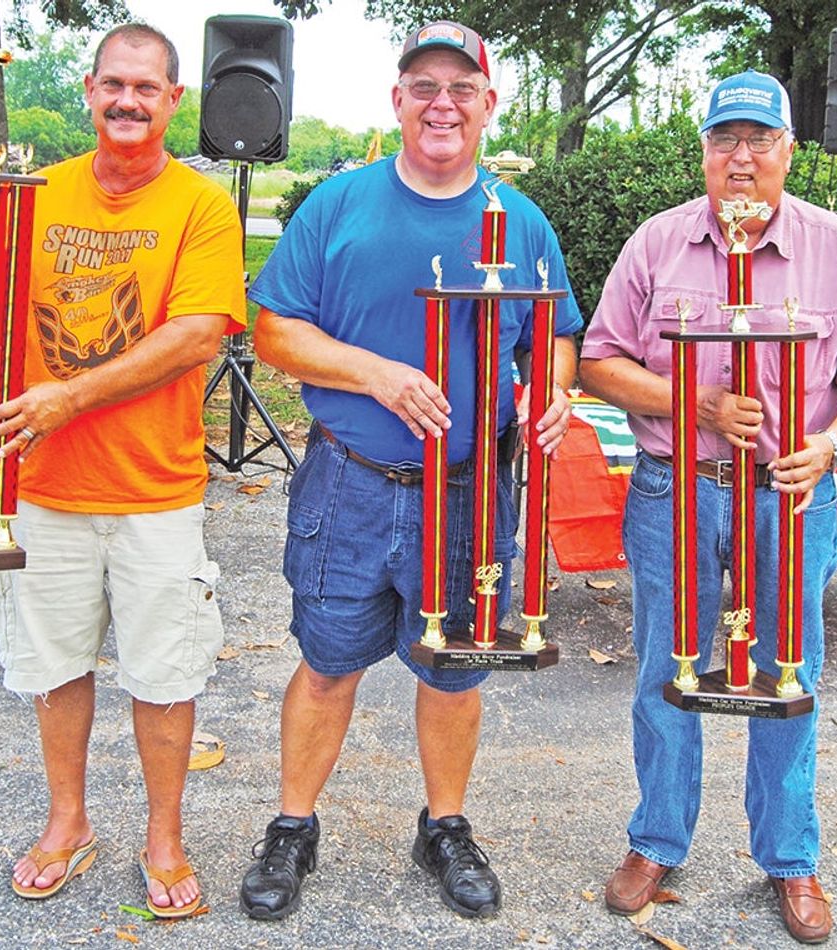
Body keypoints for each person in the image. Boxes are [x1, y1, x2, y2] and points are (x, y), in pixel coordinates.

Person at [0, 23, 246, 919]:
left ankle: (163, 836)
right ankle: (68, 823)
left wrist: (69, 396)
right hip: (35, 486)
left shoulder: (200, 207)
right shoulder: (34, 192)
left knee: (165, 675)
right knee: (54, 666)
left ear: (173, 101)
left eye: (147, 88)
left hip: (153, 490)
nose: (128, 101)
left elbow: (198, 333)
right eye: (113, 85)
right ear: (89, 92)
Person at [239, 20, 582, 921]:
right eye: (424, 86)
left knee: (455, 668)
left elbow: (556, 341)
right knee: (325, 663)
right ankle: (293, 826)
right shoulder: (339, 204)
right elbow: (274, 329)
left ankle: (445, 826)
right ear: (397, 101)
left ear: (487, 105)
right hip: (351, 479)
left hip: (469, 490)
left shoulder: (521, 220)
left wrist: (552, 393)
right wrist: (379, 375)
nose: (442, 103)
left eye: (461, 88)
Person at [578, 70, 837, 944]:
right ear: (703, 152)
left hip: (792, 492)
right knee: (667, 668)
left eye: (758, 140)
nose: (741, 158)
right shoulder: (656, 244)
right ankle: (656, 842)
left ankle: (790, 859)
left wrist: (831, 445)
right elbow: (599, 362)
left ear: (789, 152)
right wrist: (691, 403)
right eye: (724, 140)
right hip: (678, 488)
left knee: (789, 675)